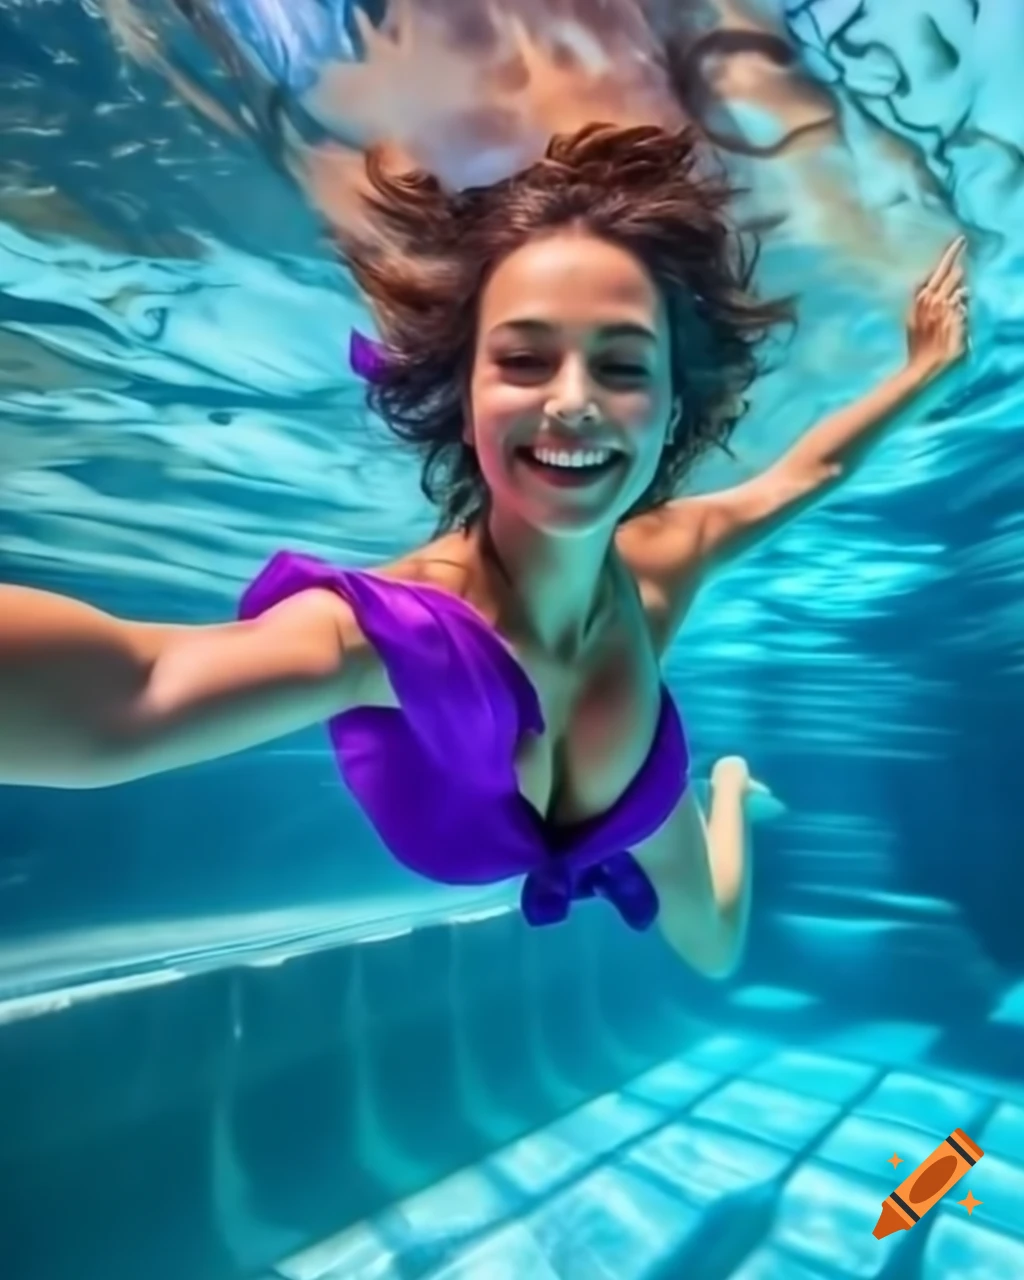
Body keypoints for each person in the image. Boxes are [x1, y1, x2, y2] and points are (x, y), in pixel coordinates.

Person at [0, 125, 967, 978]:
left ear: (673, 407)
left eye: (624, 365)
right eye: (524, 357)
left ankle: (721, 787)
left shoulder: (665, 560)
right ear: (464, 393)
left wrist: (925, 371)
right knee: (709, 945)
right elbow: (129, 691)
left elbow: (804, 474)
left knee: (712, 947)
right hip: (577, 778)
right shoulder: (389, 638)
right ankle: (719, 785)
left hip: (633, 795)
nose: (573, 399)